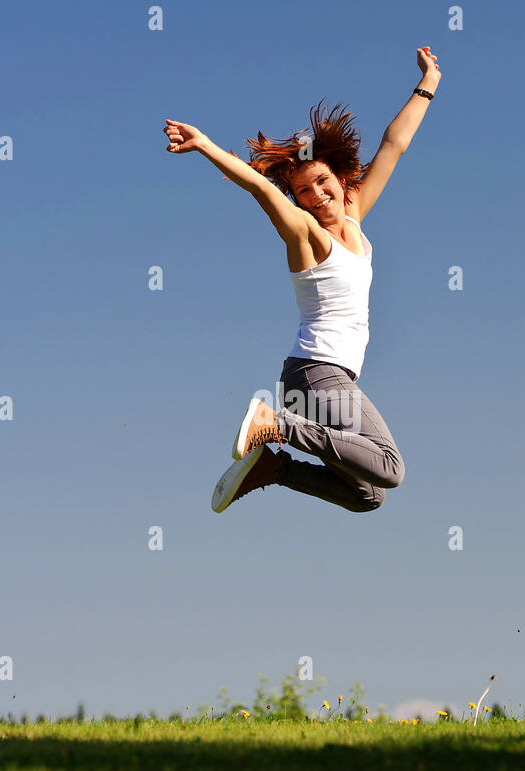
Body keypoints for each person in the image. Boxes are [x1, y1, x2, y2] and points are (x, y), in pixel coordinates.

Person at [163, 47, 441, 513]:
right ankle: (276, 425)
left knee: (368, 494)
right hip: (317, 376)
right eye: (304, 191)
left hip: (315, 381)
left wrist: (428, 81)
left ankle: (274, 467)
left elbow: (394, 145)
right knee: (390, 466)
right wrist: (206, 146)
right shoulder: (306, 236)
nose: (316, 194)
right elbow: (261, 188)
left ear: (339, 176)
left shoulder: (353, 217)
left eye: (321, 181)